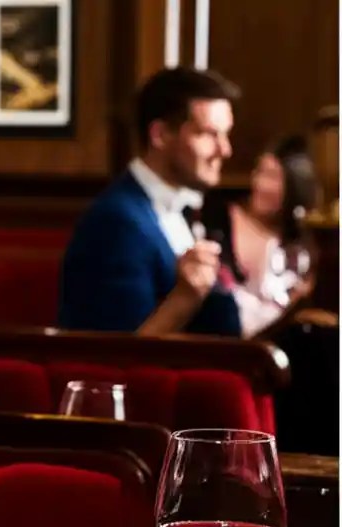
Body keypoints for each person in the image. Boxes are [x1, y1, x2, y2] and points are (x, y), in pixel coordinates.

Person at [58, 67, 243, 336]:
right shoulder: (117, 222)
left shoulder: (180, 207)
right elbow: (118, 355)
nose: (225, 150)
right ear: (160, 135)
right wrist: (186, 297)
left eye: (226, 134)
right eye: (208, 134)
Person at [197, 135, 319, 337]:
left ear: (295, 186)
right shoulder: (218, 221)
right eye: (260, 172)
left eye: (272, 176)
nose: (260, 184)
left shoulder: (302, 242)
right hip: (226, 344)